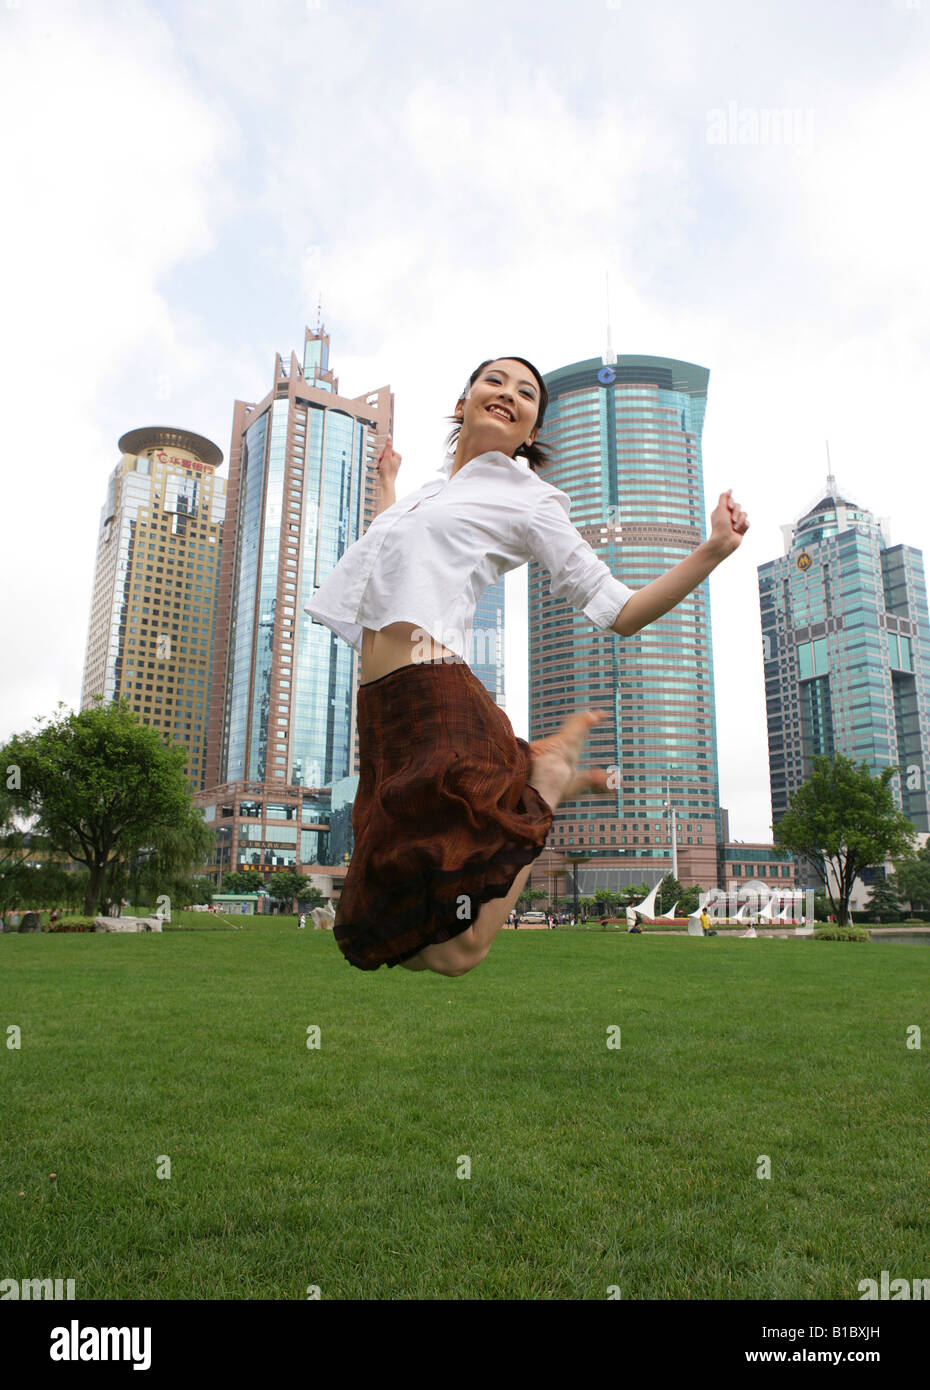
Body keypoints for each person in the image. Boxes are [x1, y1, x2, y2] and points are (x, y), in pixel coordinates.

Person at [304, 356, 749, 978]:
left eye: (527, 394)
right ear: (463, 403)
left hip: (437, 695)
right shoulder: (431, 494)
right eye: (495, 382)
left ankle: (544, 778)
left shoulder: (530, 500)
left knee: (457, 951)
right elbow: (391, 556)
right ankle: (546, 778)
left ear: (531, 431)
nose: (509, 394)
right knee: (396, 934)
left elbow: (619, 610)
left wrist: (712, 551)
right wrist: (388, 482)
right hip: (382, 716)